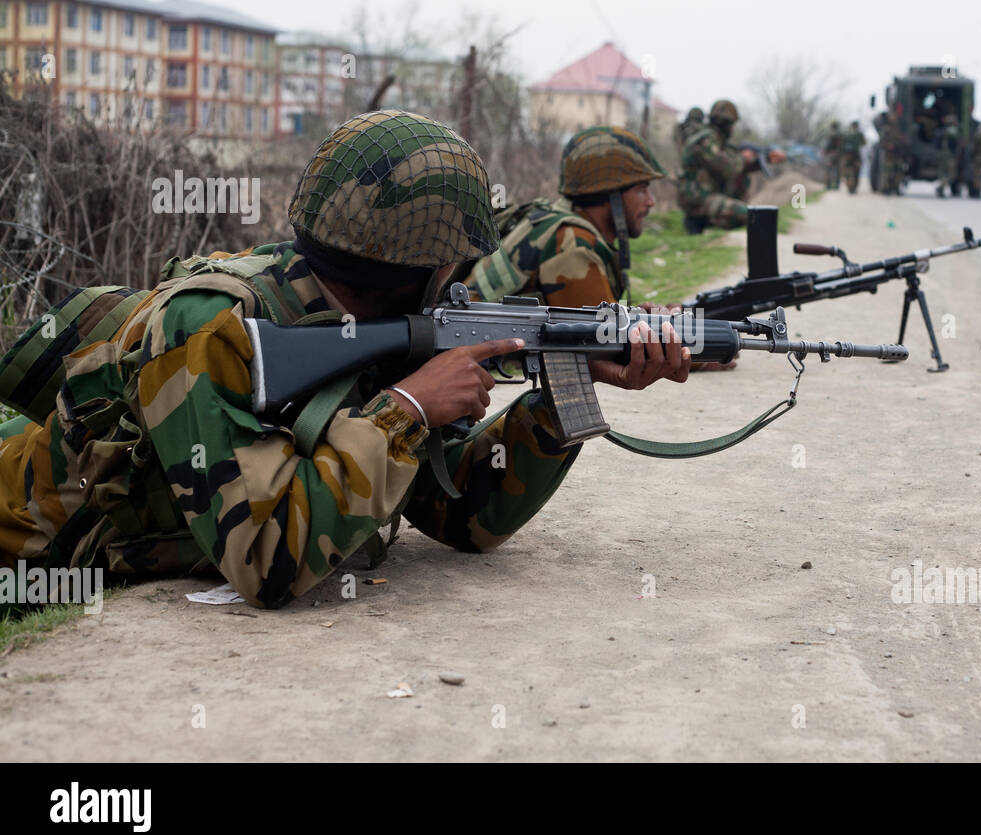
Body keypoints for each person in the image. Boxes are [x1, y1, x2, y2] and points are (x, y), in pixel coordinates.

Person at [0, 111, 690, 609]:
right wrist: (408, 409)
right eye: (456, 262)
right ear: (428, 262)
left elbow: (468, 518)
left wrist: (564, 390)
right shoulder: (212, 325)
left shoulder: (385, 325)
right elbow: (266, 561)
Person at [467, 125, 663, 308]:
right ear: (608, 195)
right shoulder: (573, 245)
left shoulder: (551, 220)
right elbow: (604, 338)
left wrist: (640, 319)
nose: (651, 201)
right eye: (641, 190)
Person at [678, 99, 784, 234]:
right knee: (754, 216)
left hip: (707, 197)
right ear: (725, 124)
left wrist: (764, 159)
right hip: (700, 200)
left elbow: (737, 166)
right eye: (732, 125)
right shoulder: (705, 141)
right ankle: (697, 221)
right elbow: (728, 168)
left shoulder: (717, 141)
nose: (733, 129)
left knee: (755, 213)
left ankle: (704, 222)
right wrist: (744, 158)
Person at [840, 121, 867, 194]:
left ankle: (847, 182)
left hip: (846, 154)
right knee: (857, 169)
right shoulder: (859, 133)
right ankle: (854, 186)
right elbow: (864, 143)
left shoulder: (845, 133)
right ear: (857, 126)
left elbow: (841, 143)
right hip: (856, 154)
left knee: (845, 168)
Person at [822, 121, 843, 190]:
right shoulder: (839, 134)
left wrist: (825, 151)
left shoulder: (829, 134)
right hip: (837, 154)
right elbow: (841, 144)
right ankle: (836, 185)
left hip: (830, 154)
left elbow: (826, 145)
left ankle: (828, 185)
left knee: (828, 169)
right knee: (837, 169)